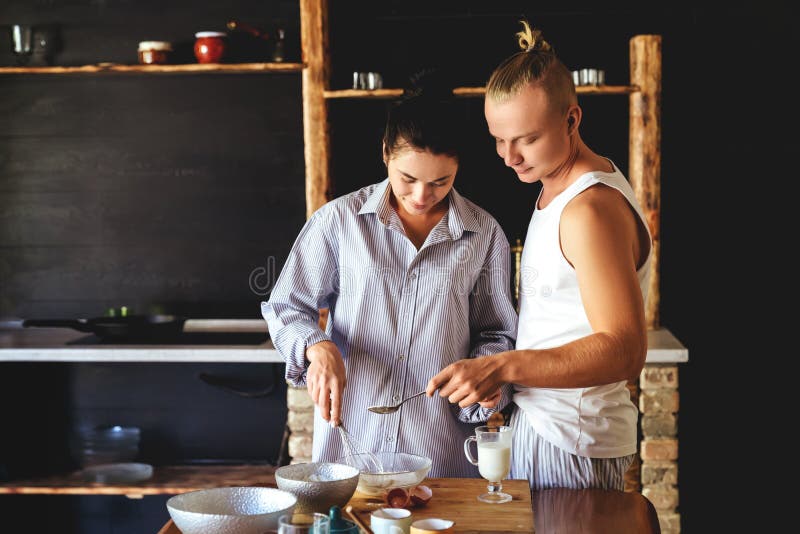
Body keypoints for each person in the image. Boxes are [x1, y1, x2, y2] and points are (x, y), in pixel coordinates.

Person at [427, 20, 653, 491]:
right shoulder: (559, 190)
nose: (508, 156)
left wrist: (503, 365)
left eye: (526, 139)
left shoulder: (588, 209)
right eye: (498, 138)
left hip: (571, 440)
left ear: (572, 120)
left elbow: (626, 349)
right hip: (548, 430)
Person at [262, 71, 517, 477]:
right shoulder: (338, 222)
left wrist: (484, 382)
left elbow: (498, 334)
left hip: (441, 460)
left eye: (440, 182)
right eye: (408, 179)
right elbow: (287, 306)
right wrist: (316, 347)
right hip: (350, 457)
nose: (421, 196)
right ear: (385, 153)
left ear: (458, 168)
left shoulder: (484, 234)